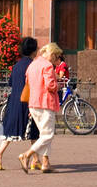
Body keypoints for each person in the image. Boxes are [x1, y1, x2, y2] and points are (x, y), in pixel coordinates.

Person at [0, 37, 38, 170]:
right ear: (34, 50)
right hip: (27, 102)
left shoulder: (17, 65)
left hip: (14, 101)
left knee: (11, 131)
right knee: (34, 130)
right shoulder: (32, 65)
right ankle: (35, 159)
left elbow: (11, 83)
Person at [19, 42, 65, 173]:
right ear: (51, 54)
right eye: (56, 57)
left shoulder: (32, 64)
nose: (56, 60)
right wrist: (59, 86)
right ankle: (26, 155)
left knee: (43, 134)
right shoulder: (47, 66)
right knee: (48, 135)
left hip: (33, 104)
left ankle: (45, 164)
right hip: (46, 103)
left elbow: (28, 84)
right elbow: (50, 86)